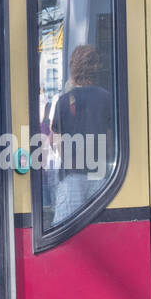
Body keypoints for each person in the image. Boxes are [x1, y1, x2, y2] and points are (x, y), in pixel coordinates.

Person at [49, 44, 112, 224]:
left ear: (73, 68)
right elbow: (109, 142)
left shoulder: (63, 101)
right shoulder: (107, 98)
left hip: (72, 177)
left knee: (67, 228)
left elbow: (56, 143)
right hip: (100, 175)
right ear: (96, 68)